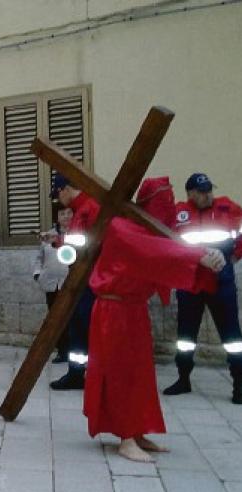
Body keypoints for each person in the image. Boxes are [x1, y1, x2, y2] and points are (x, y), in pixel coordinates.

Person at [84, 176, 225, 462]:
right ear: (149, 204)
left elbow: (166, 249)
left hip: (133, 311)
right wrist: (197, 257)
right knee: (121, 373)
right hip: (114, 313)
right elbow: (154, 252)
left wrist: (206, 256)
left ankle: (136, 431)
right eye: (165, 203)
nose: (170, 210)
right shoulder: (122, 228)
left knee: (140, 375)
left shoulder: (149, 231)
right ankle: (125, 437)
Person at [165, 173, 242, 404]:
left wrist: (234, 255)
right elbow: (169, 242)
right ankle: (183, 378)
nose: (208, 194)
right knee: (185, 336)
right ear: (190, 194)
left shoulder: (228, 208)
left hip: (221, 280)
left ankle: (239, 385)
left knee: (232, 337)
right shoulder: (179, 213)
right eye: (202, 191)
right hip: (190, 282)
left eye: (209, 189)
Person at [50, 174, 101, 390]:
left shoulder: (91, 208)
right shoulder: (81, 210)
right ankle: (76, 373)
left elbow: (93, 246)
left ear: (65, 189)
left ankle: (93, 374)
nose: (58, 200)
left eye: (57, 194)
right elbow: (77, 247)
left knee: (89, 328)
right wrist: (59, 242)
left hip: (91, 280)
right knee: (77, 328)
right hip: (80, 279)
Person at [33, 207, 74, 363]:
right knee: (55, 319)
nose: (65, 216)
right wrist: (37, 273)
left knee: (72, 319)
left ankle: (74, 351)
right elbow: (39, 258)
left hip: (70, 284)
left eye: (69, 213)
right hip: (51, 284)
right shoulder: (48, 236)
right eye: (62, 213)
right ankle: (61, 350)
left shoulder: (78, 235)